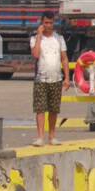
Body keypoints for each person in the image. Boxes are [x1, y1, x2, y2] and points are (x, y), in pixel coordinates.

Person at [30, 12, 71, 146]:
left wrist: (67, 78)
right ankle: (40, 137)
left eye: (50, 23)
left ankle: (52, 136)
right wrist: (39, 36)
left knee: (54, 109)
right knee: (40, 109)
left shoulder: (59, 39)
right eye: (46, 23)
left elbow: (64, 59)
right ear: (42, 23)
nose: (48, 25)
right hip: (41, 78)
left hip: (56, 77)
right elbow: (35, 55)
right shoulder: (35, 38)